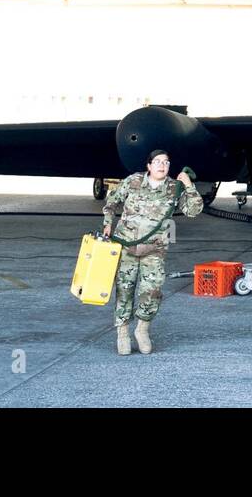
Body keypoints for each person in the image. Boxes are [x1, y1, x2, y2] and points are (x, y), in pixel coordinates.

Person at [101, 150, 203, 355]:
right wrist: (107, 224)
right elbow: (111, 202)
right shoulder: (133, 181)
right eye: (157, 161)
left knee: (152, 291)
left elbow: (193, 211)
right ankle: (122, 334)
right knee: (124, 289)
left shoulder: (175, 188)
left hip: (154, 250)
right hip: (126, 246)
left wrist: (189, 186)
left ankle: (142, 330)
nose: (162, 165)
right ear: (148, 166)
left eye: (166, 162)